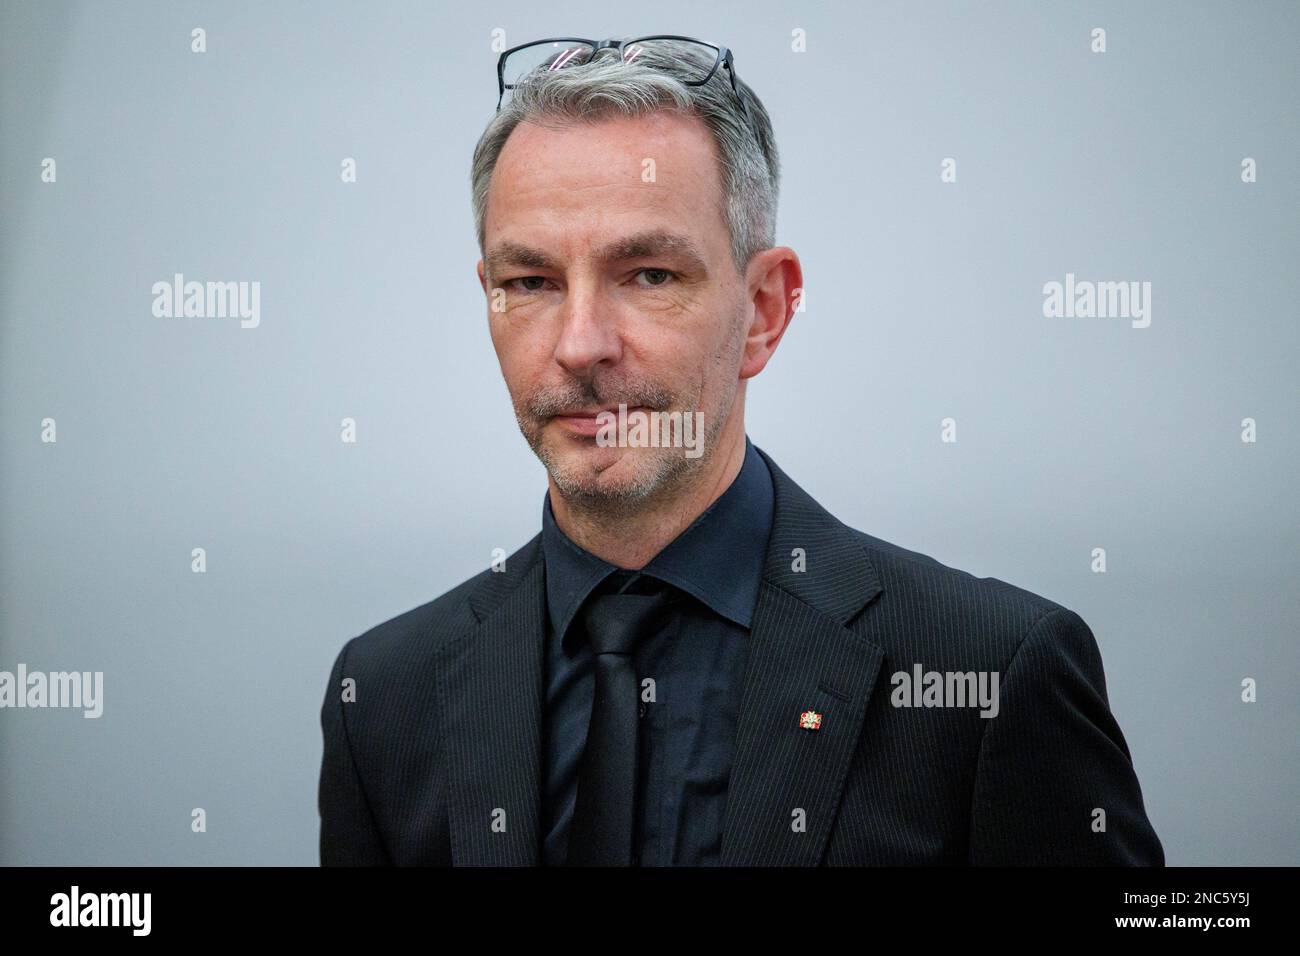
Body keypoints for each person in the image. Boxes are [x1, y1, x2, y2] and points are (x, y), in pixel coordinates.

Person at [318, 36, 1164, 866]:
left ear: (764, 310)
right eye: (531, 283)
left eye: (648, 273)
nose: (580, 345)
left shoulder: (990, 673)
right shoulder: (385, 696)